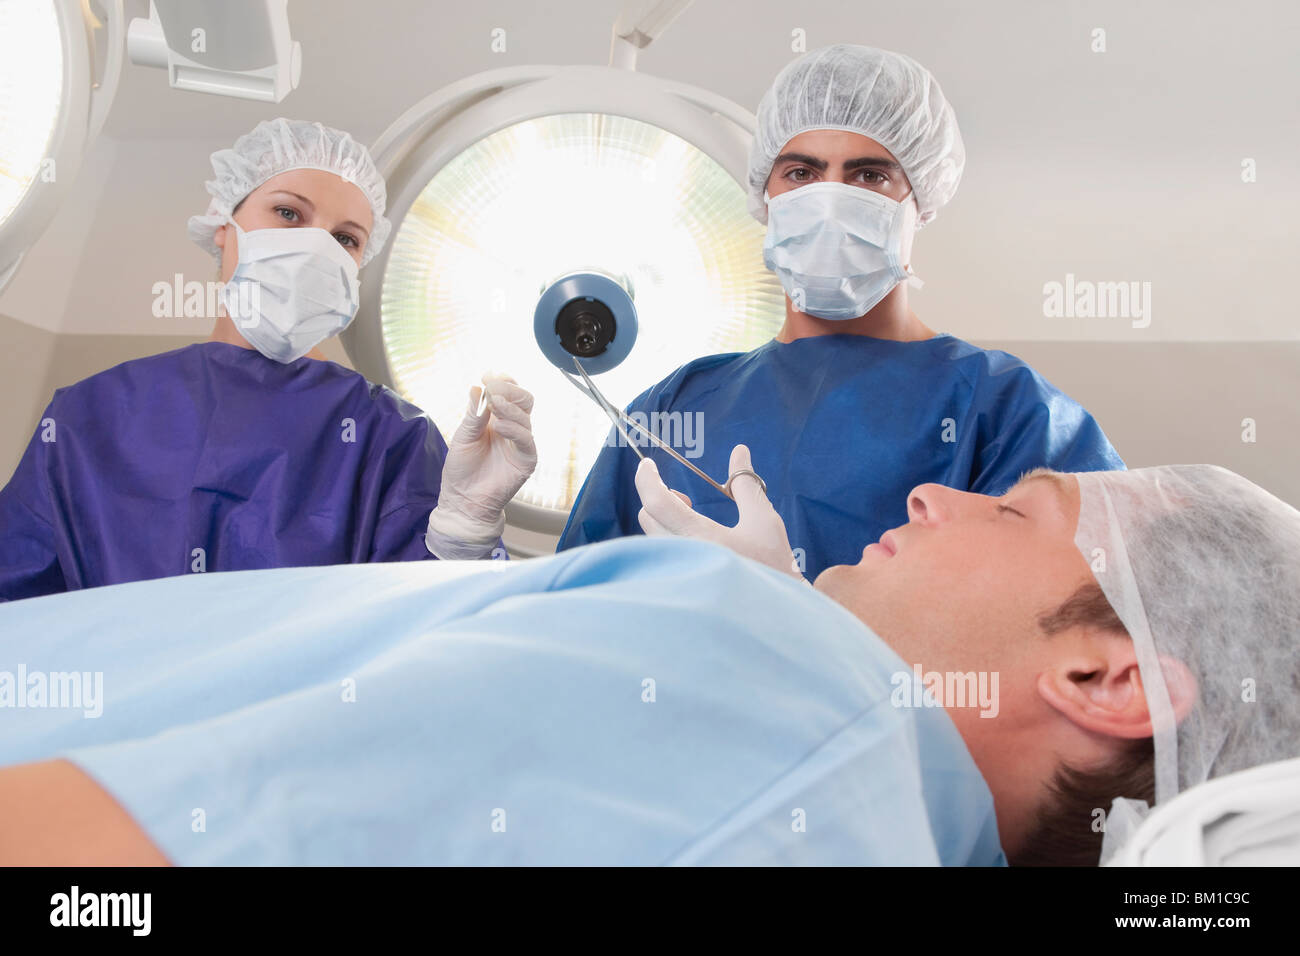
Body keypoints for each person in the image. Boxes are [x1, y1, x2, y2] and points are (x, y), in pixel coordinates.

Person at [1, 462, 1295, 866]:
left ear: (1109, 681)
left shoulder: (794, 696)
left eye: (1016, 511)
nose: (935, 489)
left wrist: (749, 631)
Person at [558, 45, 1123, 579]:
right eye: (801, 174)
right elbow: (569, 624)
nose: (829, 202)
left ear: (920, 201)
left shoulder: (1008, 413)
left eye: (869, 175)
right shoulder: (672, 410)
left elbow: (1076, 636)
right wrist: (471, 539)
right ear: (765, 198)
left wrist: (805, 620)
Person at [0, 118, 537, 602]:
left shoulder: (389, 437)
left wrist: (465, 531)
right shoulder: (88, 417)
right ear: (222, 227)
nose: (315, 248)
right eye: (288, 213)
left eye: (346, 239)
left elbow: (428, 637)